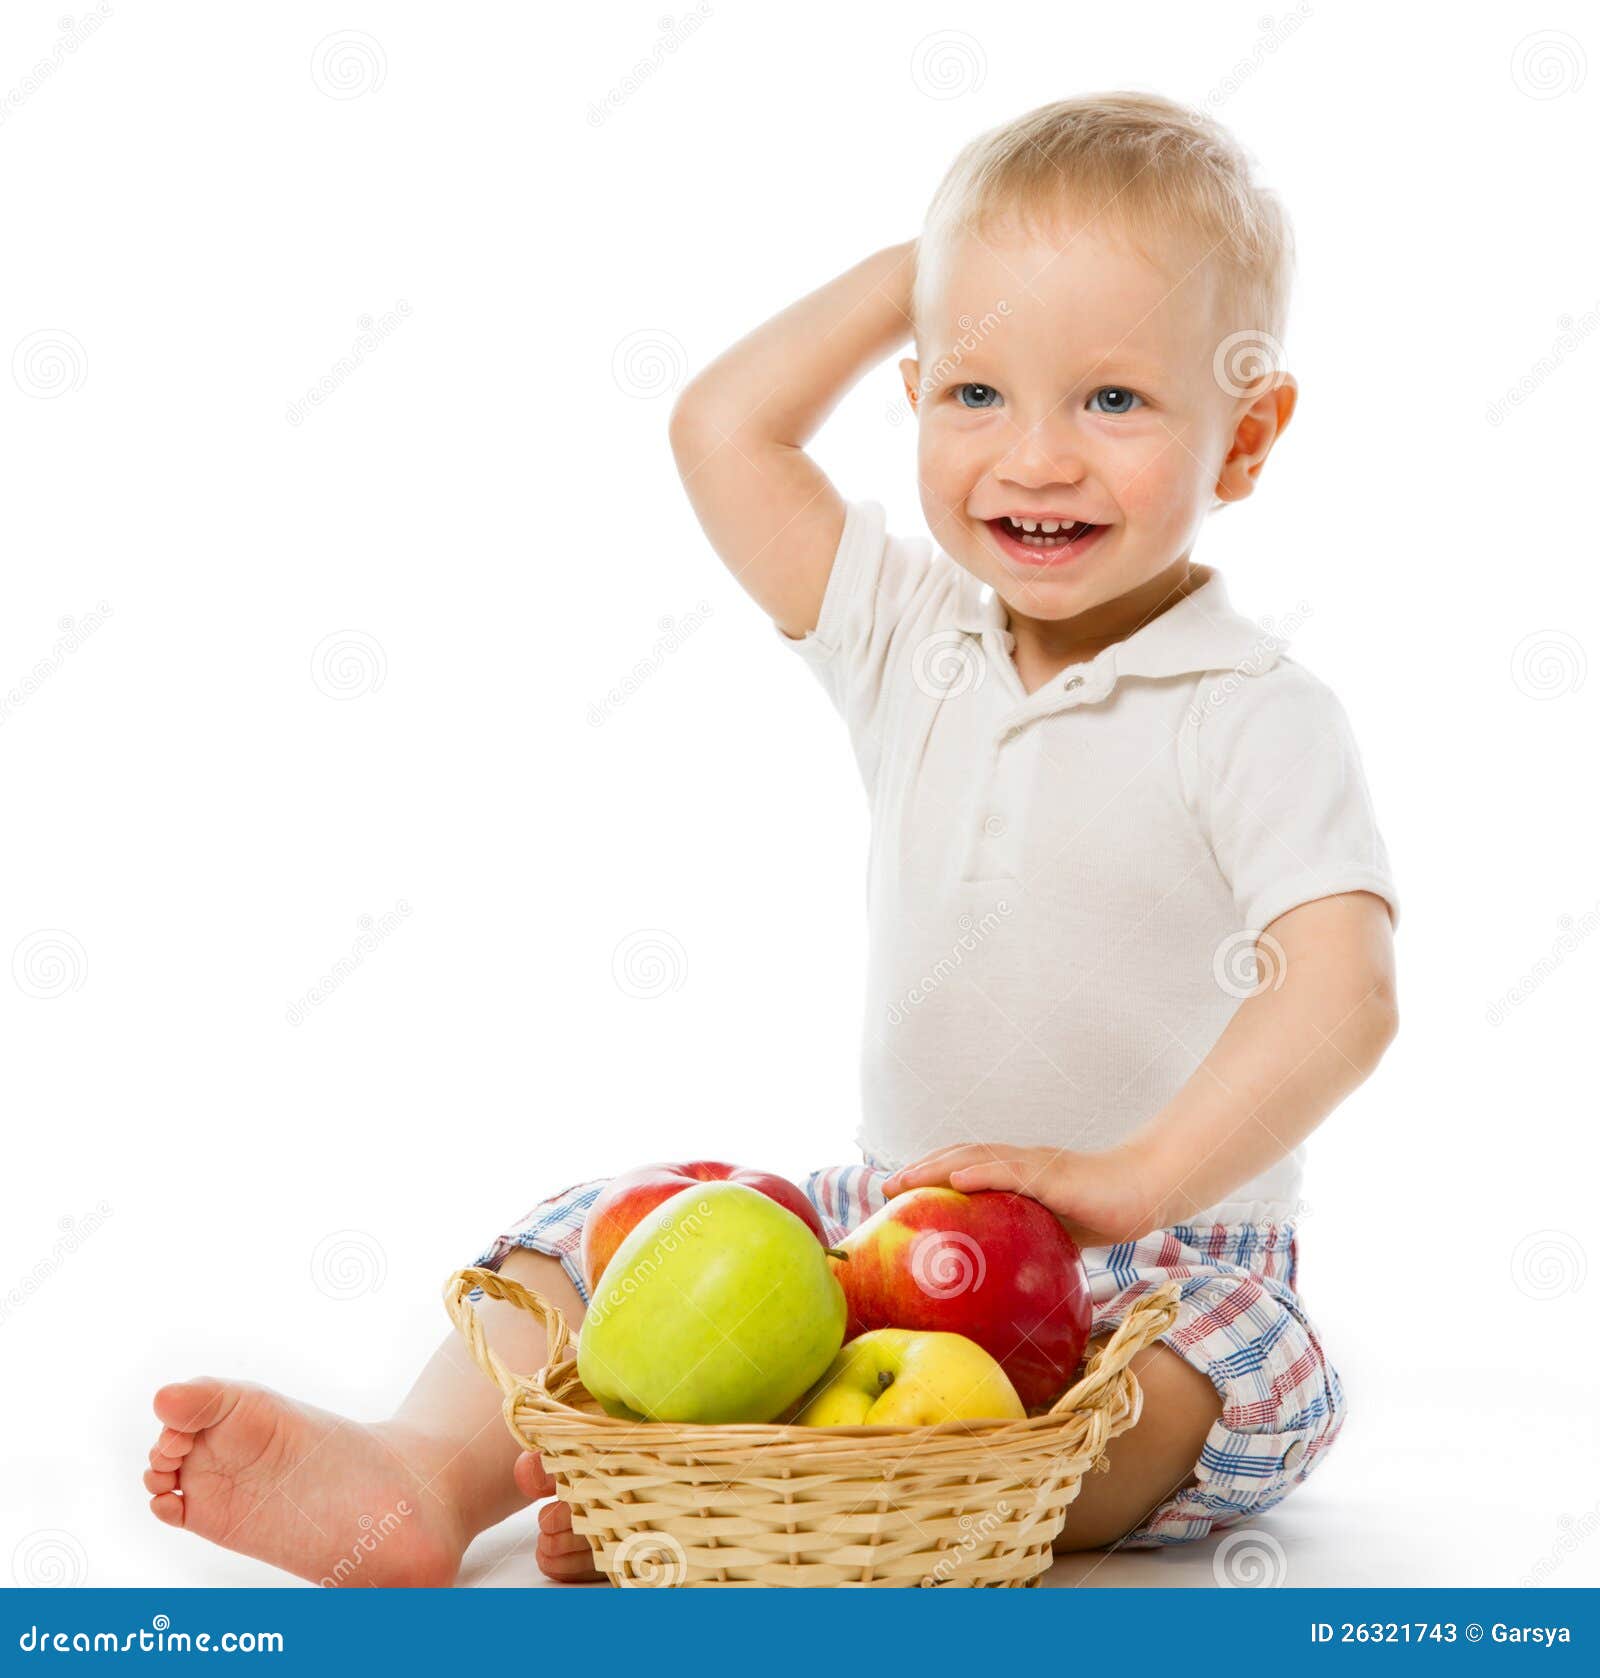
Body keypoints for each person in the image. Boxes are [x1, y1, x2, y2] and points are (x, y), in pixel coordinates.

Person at [144, 92, 1399, 1587]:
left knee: (1103, 1415)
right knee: (591, 1238)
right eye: (979, 392)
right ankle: (429, 1470)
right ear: (918, 384)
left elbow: (1341, 990)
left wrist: (1133, 1181)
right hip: (899, 1222)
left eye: (1113, 400)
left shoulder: (1255, 708)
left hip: (1169, 1268)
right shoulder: (910, 639)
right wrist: (927, 266)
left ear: (1246, 437)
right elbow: (723, 429)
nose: (1038, 456)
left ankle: (753, 1515)